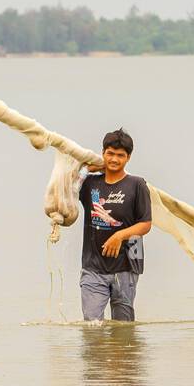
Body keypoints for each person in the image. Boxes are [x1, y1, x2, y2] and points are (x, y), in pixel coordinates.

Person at [78, 129, 151, 322]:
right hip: (93, 267)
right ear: (103, 153)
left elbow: (145, 224)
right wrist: (87, 169)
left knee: (123, 326)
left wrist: (119, 236)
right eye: (110, 153)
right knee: (92, 324)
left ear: (128, 158)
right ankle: (99, 353)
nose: (114, 159)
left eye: (120, 155)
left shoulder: (137, 184)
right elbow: (66, 186)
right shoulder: (89, 184)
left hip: (127, 265)